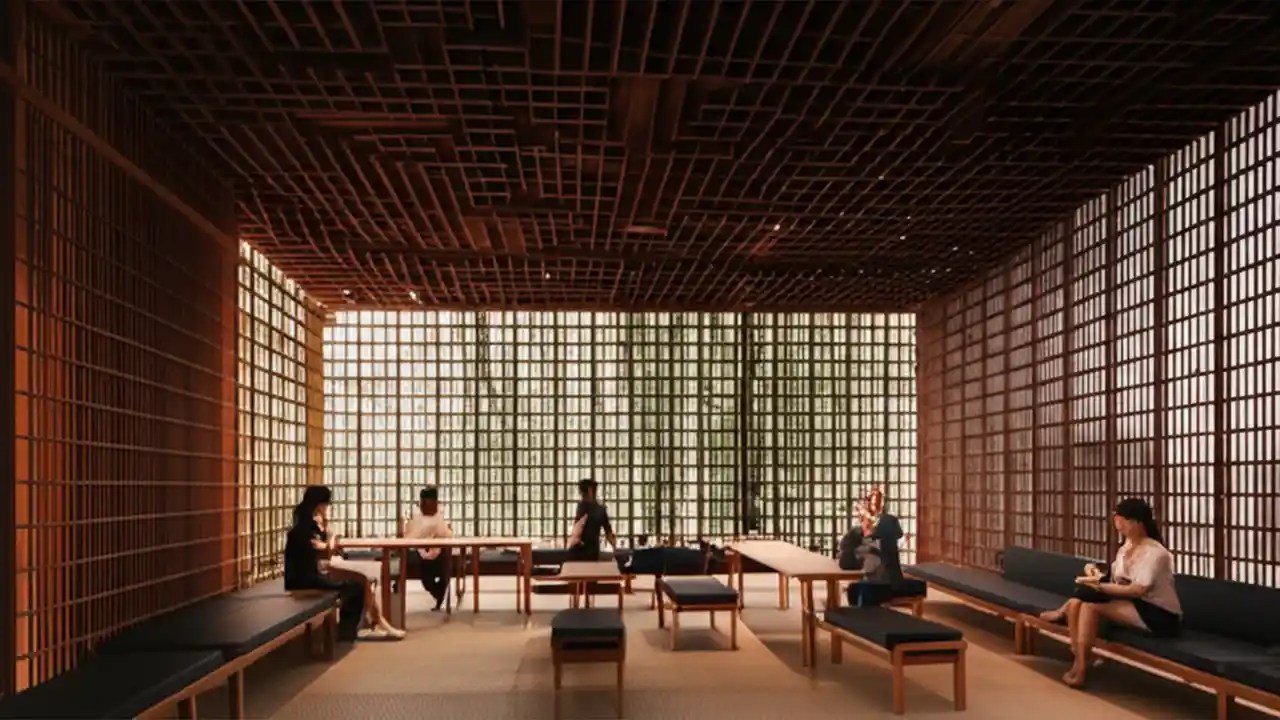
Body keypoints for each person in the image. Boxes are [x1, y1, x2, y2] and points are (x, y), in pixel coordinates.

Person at [1037, 498, 1181, 688]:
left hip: (1158, 613)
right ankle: (1081, 659)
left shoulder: (1156, 553)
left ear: (1137, 523)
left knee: (1089, 607)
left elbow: (1138, 590)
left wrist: (1100, 588)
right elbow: (1115, 580)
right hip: (1132, 603)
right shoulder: (1125, 548)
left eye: (1122, 524)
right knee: (1075, 604)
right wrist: (1094, 574)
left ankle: (1080, 669)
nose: (1118, 529)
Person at [284, 485, 404, 641]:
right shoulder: (305, 526)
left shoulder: (307, 522)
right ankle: (361, 626)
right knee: (357, 584)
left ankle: (371, 623)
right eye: (326, 504)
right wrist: (330, 536)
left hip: (312, 573)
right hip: (304, 580)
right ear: (319, 504)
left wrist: (327, 529)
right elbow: (326, 551)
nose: (327, 507)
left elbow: (325, 548)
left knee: (362, 579)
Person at [839, 486, 916, 607]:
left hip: (883, 577)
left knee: (859, 585)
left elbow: (868, 566)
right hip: (887, 574)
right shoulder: (887, 538)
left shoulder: (885, 525)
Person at [403, 487, 454, 610]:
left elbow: (446, 535)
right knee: (425, 575)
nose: (425, 506)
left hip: (439, 553)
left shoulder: (439, 517)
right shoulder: (417, 517)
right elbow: (410, 537)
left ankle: (441, 593)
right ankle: (437, 593)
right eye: (423, 503)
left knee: (446, 564)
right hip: (421, 555)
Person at [568, 478, 616, 561]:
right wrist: (615, 549)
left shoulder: (581, 507)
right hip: (593, 551)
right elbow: (608, 531)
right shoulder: (600, 509)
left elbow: (576, 530)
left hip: (578, 551)